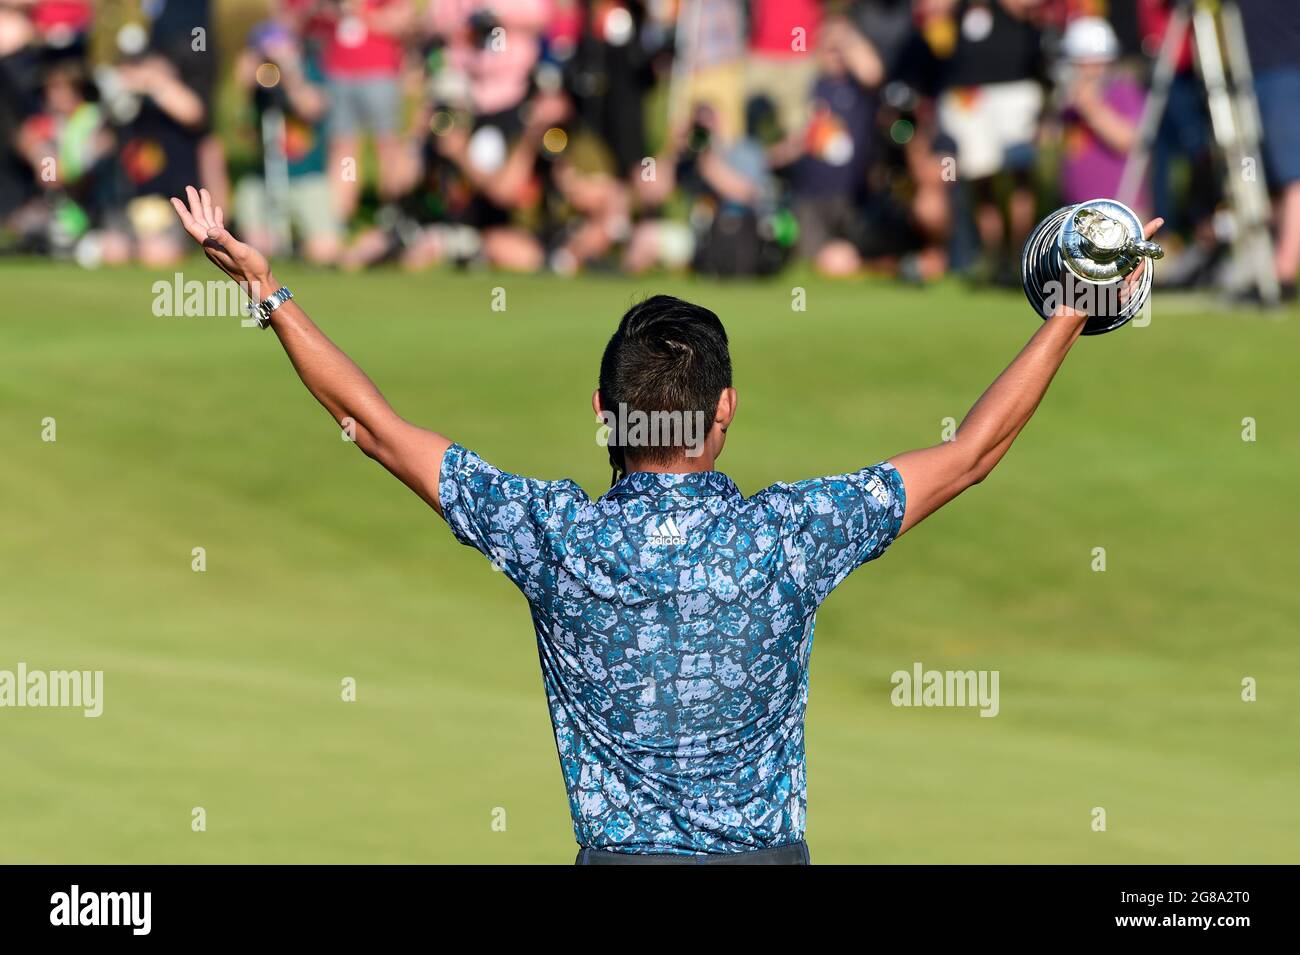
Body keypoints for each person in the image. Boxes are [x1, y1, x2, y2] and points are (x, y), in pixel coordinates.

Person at [168, 183, 1160, 862]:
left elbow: (377, 430)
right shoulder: (791, 534)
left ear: (604, 413)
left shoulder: (550, 534)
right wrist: (1070, 304)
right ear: (723, 414)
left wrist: (269, 294)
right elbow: (972, 454)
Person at [1057, 16, 1145, 209]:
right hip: (1079, 207)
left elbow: (1128, 140)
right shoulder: (1069, 102)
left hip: (1121, 205)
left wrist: (1091, 108)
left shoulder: (1121, 90)